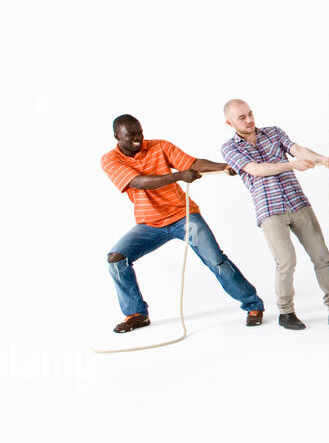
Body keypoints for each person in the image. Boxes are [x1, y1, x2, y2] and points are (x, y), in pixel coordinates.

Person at [102, 115, 265, 333]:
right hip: (149, 224)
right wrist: (178, 176)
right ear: (116, 136)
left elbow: (193, 163)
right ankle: (136, 314)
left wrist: (224, 166)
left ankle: (253, 305)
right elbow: (137, 182)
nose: (138, 138)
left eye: (140, 132)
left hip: (183, 216)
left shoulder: (160, 146)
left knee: (216, 260)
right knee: (116, 258)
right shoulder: (110, 159)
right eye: (131, 135)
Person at [221, 99, 329, 331]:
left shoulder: (274, 132)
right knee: (286, 262)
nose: (249, 120)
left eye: (250, 114)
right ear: (230, 122)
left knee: (322, 256)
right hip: (269, 209)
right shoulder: (230, 148)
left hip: (298, 202)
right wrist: (291, 165)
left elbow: (296, 149)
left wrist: (320, 159)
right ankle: (286, 313)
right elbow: (255, 169)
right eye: (242, 117)